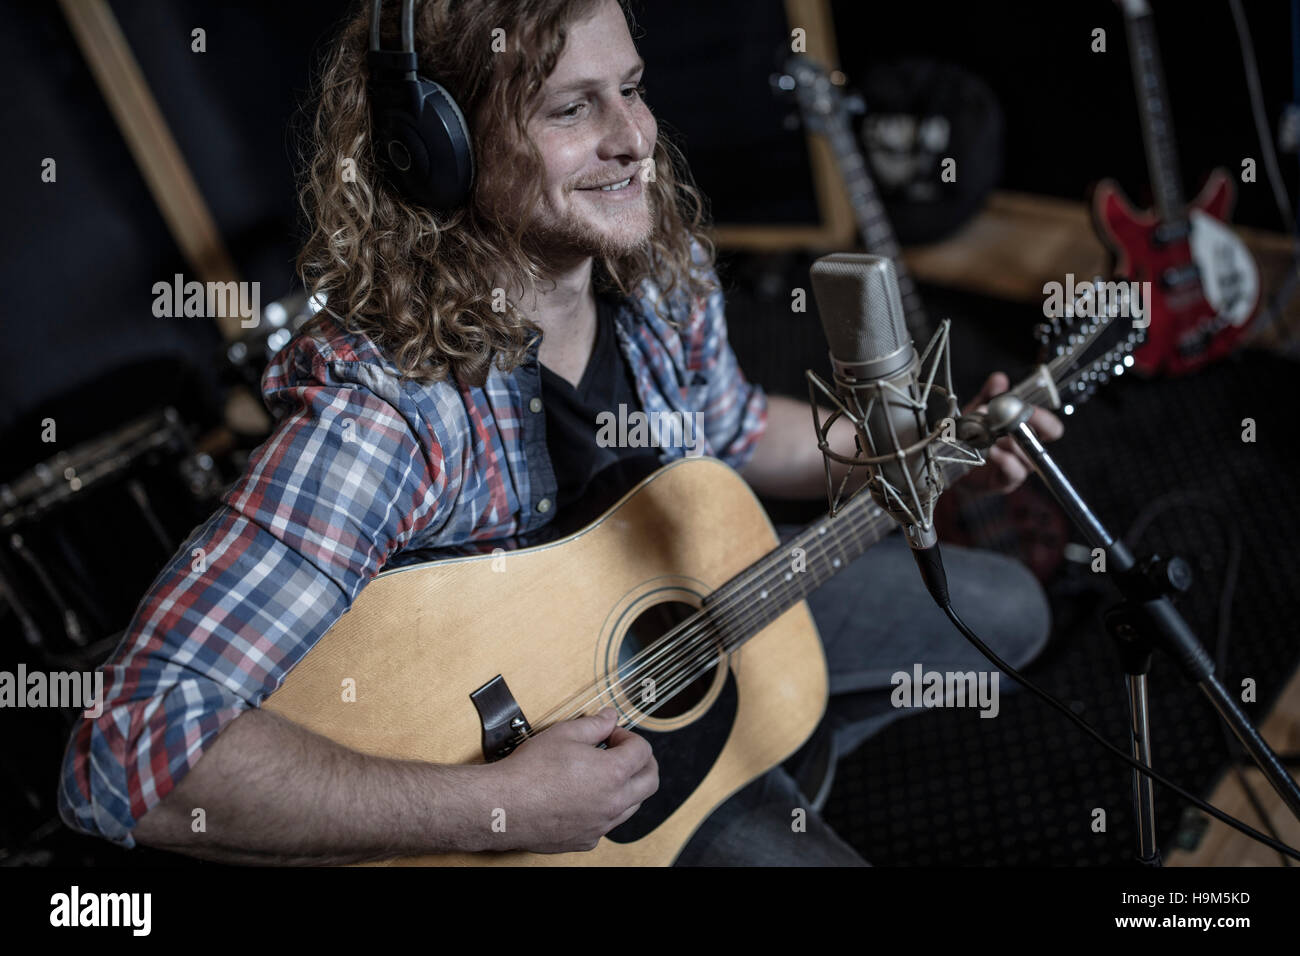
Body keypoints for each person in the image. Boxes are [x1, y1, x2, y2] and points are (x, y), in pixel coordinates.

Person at [58, 0, 1060, 865]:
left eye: (632, 87)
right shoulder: (389, 413)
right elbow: (127, 753)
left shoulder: (662, 274)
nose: (634, 137)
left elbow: (735, 429)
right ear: (442, 150)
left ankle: (753, 751)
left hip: (675, 631)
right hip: (521, 800)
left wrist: (925, 448)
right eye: (572, 107)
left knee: (1008, 611)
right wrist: (502, 808)